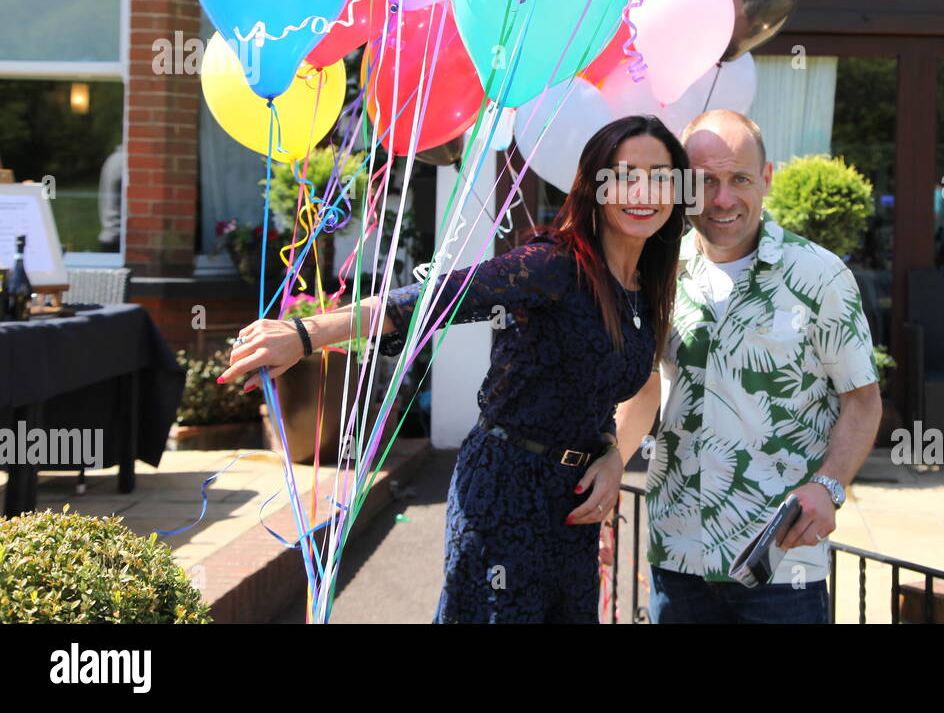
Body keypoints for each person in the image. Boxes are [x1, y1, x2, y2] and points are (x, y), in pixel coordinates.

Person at [219, 115, 692, 623]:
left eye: (661, 175)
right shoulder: (553, 266)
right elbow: (431, 300)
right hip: (506, 489)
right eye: (624, 173)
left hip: (573, 502)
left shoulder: (645, 286)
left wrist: (614, 455)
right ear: (594, 185)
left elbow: (639, 386)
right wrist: (305, 334)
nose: (643, 190)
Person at [612, 110, 882, 623]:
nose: (722, 199)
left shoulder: (820, 277)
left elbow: (862, 399)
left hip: (780, 566)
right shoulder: (657, 272)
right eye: (705, 181)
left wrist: (829, 486)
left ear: (767, 178)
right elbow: (643, 390)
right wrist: (608, 471)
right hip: (678, 558)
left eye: (738, 178)